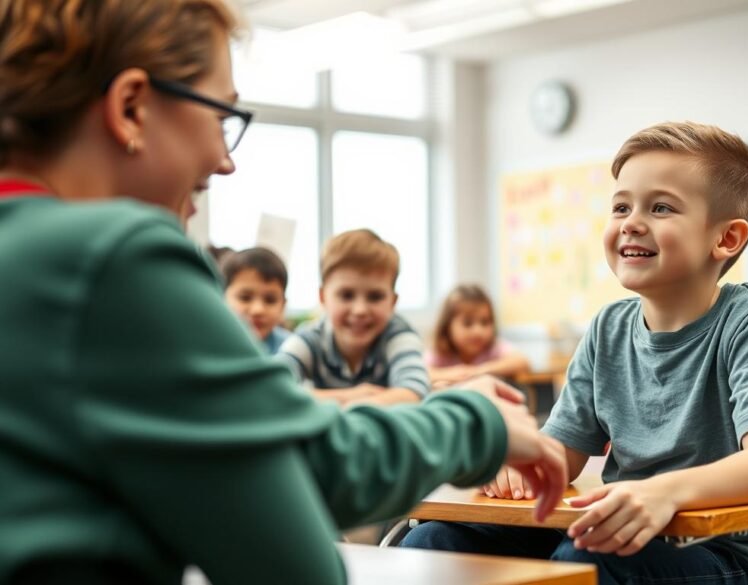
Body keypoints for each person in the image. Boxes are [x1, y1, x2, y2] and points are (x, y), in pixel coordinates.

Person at [0, 1, 566, 583]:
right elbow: (301, 523)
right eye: (222, 116)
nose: (225, 162)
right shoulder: (114, 259)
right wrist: (477, 423)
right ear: (130, 107)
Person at [402, 121, 748, 585]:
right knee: (432, 543)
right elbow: (565, 453)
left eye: (660, 207)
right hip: (618, 534)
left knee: (587, 558)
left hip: (729, 557)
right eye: (621, 206)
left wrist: (663, 494)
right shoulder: (608, 327)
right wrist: (519, 465)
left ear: (726, 239)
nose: (630, 222)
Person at [278, 229, 430, 406]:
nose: (360, 310)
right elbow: (271, 387)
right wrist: (350, 396)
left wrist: (344, 406)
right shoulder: (309, 340)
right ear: (323, 297)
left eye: (375, 297)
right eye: (346, 295)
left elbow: (414, 391)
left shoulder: (399, 336)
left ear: (392, 302)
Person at [427, 284, 530, 387]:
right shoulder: (441, 353)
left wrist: (479, 370)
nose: (478, 331)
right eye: (467, 323)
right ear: (447, 327)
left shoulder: (493, 349)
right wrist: (449, 374)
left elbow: (522, 361)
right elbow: (420, 372)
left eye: (485, 322)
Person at [221, 246, 291, 353]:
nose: (258, 310)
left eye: (270, 300)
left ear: (283, 305)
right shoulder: (210, 347)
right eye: (245, 298)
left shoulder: (291, 348)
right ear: (221, 297)